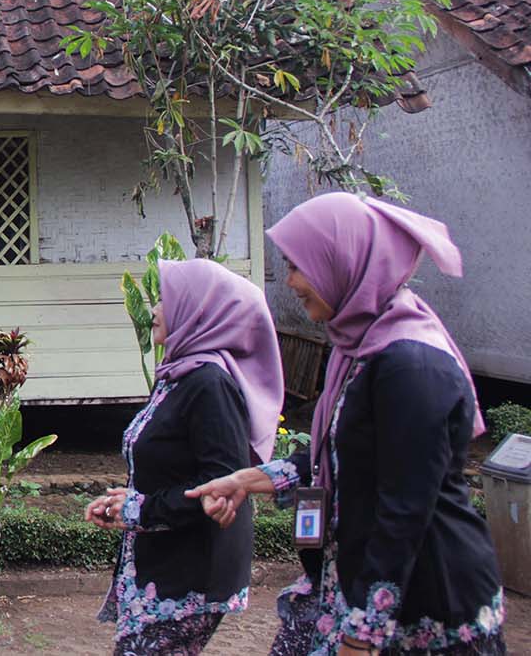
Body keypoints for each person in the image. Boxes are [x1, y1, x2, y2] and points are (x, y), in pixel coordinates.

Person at [187, 193, 506, 656]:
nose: (291, 282)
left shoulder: (410, 363)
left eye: (300, 267)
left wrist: (362, 634)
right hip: (357, 593)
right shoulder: (358, 347)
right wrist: (248, 479)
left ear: (345, 261)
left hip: (427, 608)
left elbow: (404, 508)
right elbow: (338, 453)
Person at [85, 258, 284, 655]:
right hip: (160, 561)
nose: (155, 310)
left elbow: (221, 483)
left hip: (190, 573)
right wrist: (127, 503)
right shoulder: (178, 376)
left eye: (165, 301)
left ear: (197, 312)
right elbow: (170, 466)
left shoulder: (209, 384)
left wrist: (140, 509)